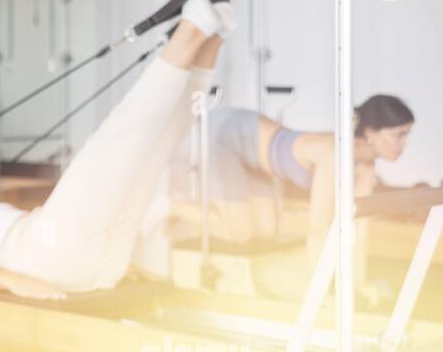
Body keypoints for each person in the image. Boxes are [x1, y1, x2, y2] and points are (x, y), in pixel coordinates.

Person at [0, 0, 235, 299]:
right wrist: (13, 282)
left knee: (152, 151)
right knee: (120, 138)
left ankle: (213, 38)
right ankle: (193, 28)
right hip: (46, 254)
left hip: (88, 264)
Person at [170, 96, 415, 263]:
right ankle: (169, 205)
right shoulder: (335, 154)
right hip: (225, 134)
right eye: (398, 135)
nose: (404, 144)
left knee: (266, 232)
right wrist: (317, 296)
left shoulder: (365, 166)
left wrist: (359, 286)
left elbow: (358, 228)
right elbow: (318, 227)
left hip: (255, 158)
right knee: (240, 232)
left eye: (407, 135)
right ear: (371, 133)